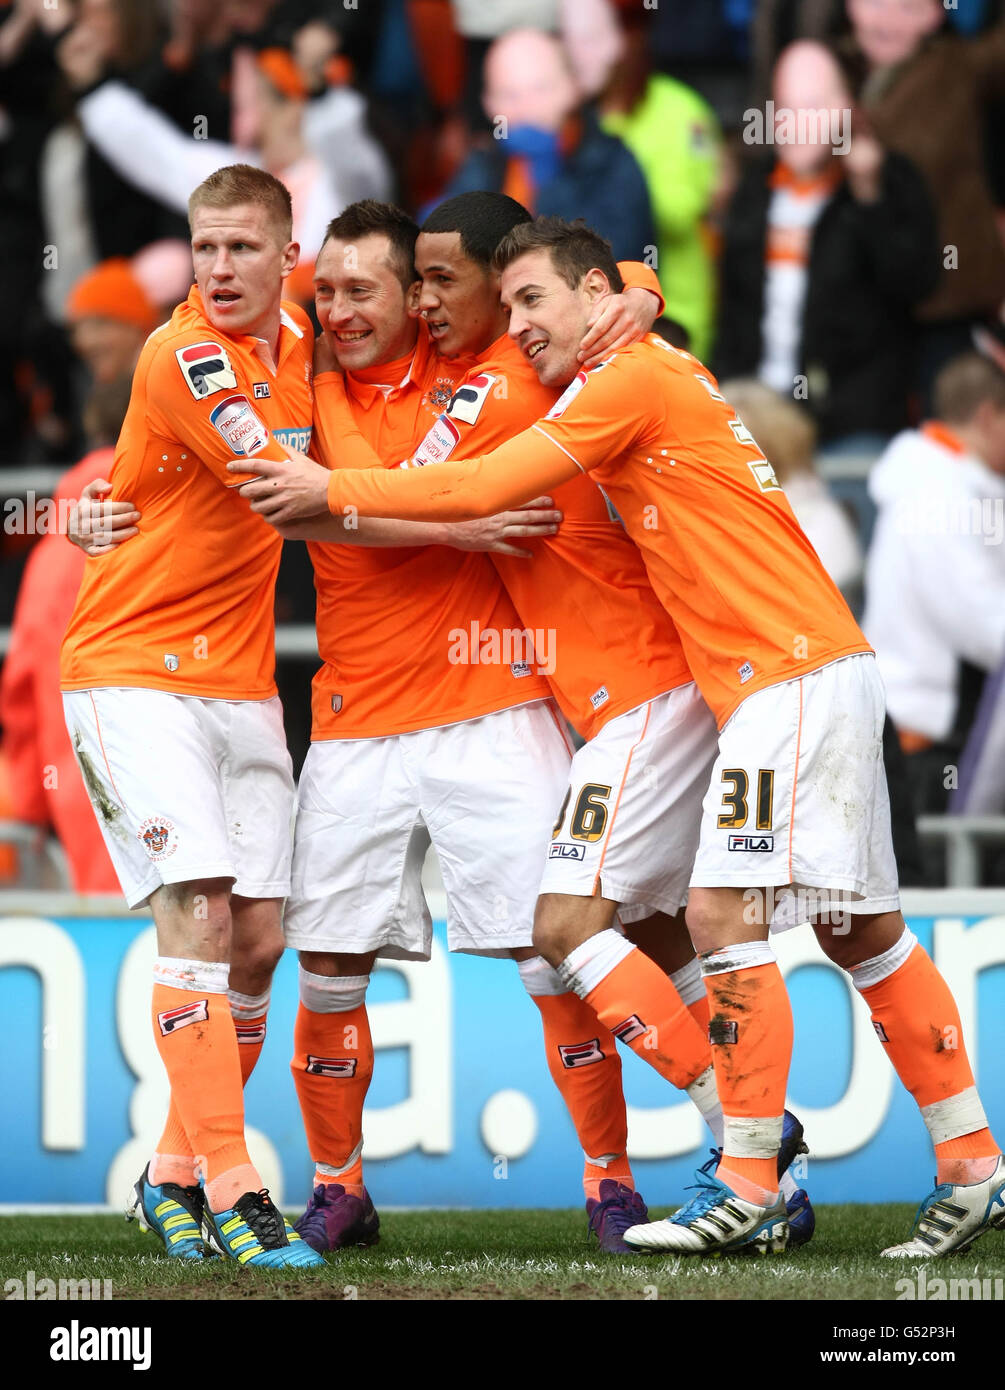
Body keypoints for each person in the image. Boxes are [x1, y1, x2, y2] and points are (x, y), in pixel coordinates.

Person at [259, 215, 1004, 1259]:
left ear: (592, 297)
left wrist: (326, 490)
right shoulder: (619, 358)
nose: (506, 322)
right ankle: (970, 1163)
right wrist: (632, 290)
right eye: (499, 303)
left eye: (520, 299)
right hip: (773, 675)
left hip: (751, 678)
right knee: (853, 928)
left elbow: (476, 482)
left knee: (658, 916)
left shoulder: (609, 378)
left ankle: (750, 1169)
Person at [59, 163, 323, 1270]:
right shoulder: (184, 354)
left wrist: (634, 285)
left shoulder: (306, 341)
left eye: (241, 249)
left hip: (240, 681)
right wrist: (462, 519)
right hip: (132, 669)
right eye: (203, 247)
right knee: (201, 920)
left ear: (284, 253)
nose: (219, 269)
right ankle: (236, 1188)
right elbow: (278, 478)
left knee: (259, 943)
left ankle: (168, 1177)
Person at [714, 40, 939, 447]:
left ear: (848, 111)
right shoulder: (756, 188)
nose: (796, 124)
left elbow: (916, 286)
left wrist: (870, 196)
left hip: (854, 422)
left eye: (813, 108)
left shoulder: (890, 181)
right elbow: (732, 308)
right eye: (786, 108)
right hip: (757, 410)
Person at [863, 352, 1005, 817]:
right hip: (928, 743)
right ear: (988, 416)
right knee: (941, 884)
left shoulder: (947, 486)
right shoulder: (937, 492)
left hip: (942, 733)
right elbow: (982, 622)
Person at [0, 379, 128, 893]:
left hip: (80, 779)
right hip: (186, 762)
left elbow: (23, 685)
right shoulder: (177, 521)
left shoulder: (52, 550)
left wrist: (28, 806)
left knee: (118, 932)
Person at [439, 28, 655, 263]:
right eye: (508, 94)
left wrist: (547, 181)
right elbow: (448, 257)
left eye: (541, 88)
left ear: (573, 89)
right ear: (488, 104)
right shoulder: (484, 162)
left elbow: (614, 264)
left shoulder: (612, 162)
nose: (525, 106)